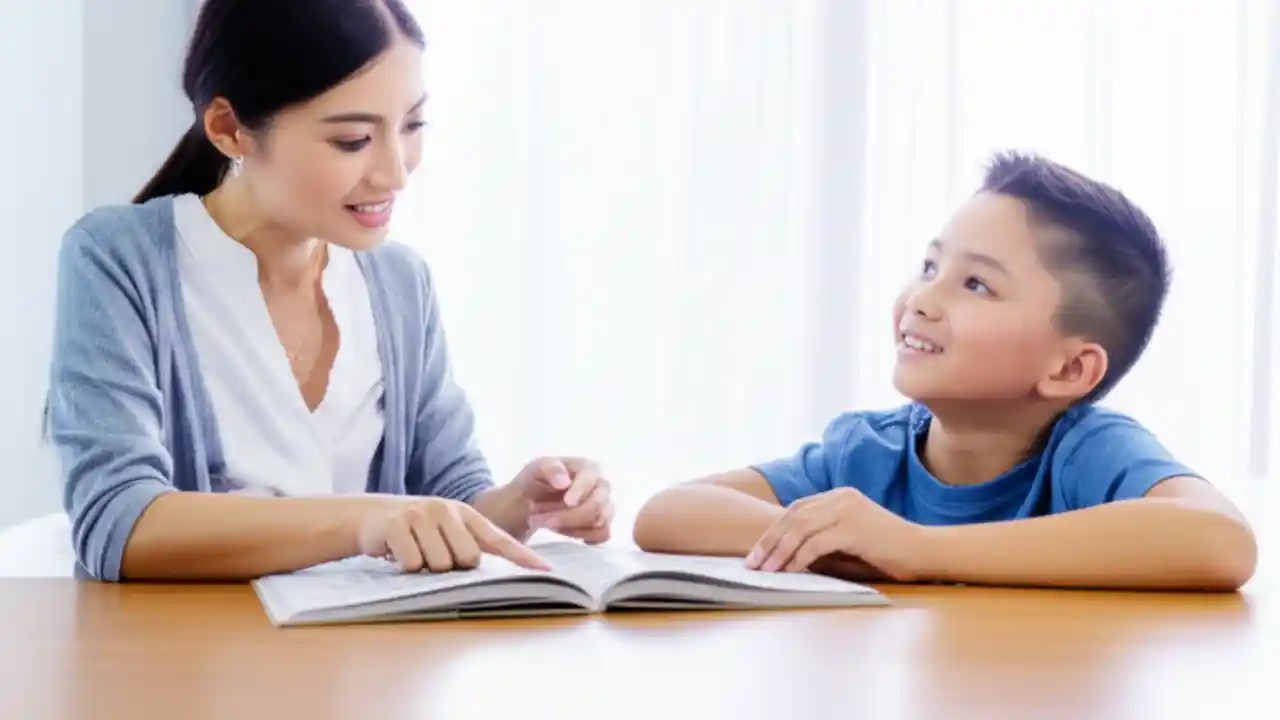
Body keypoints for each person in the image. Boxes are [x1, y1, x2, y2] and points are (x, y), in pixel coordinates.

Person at [47, 0, 613, 582]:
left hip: (368, 663)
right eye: (352, 140)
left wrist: (523, 504)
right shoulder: (120, 259)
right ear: (229, 128)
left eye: (412, 125)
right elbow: (118, 523)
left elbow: (449, 496)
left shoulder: (399, 285)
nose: (395, 172)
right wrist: (365, 523)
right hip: (198, 663)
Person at [633, 152, 1258, 591]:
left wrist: (915, 549)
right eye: (930, 267)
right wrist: (836, 540)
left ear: (1069, 368)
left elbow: (1221, 541)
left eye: (977, 284)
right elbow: (668, 512)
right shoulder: (865, 454)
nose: (923, 300)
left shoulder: (1086, 453)